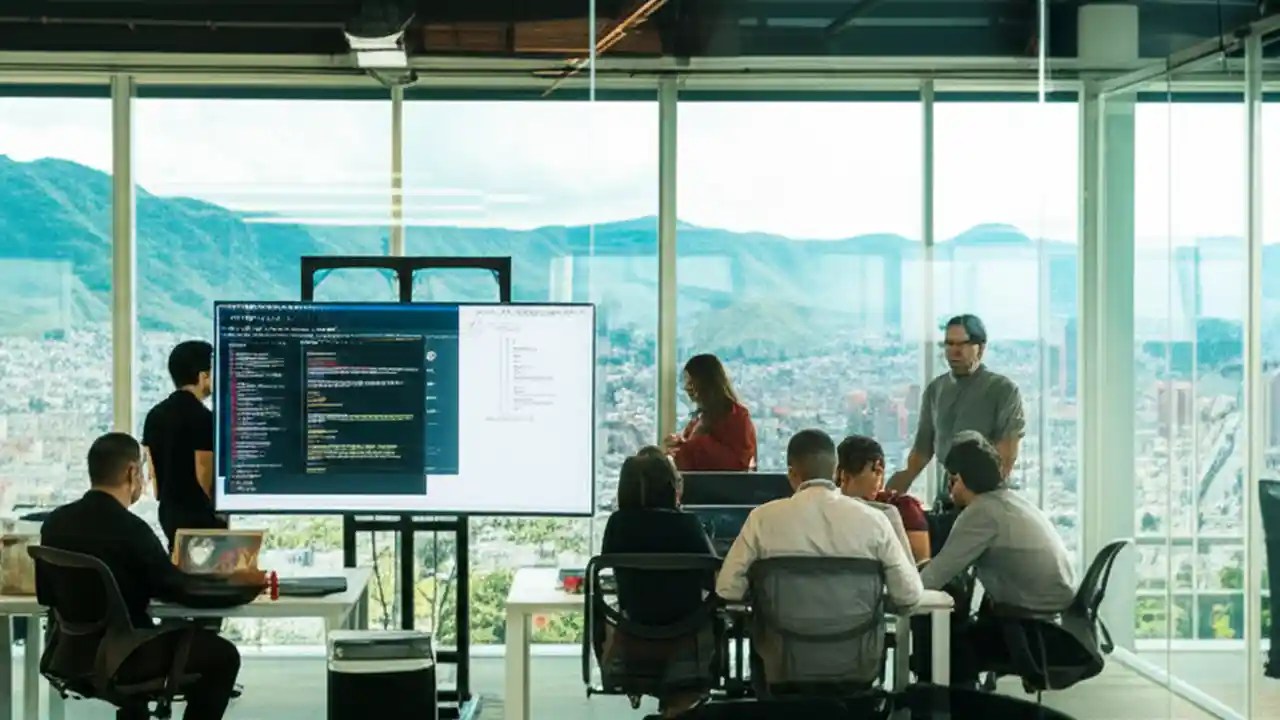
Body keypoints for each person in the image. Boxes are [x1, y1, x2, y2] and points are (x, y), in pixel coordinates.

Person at [38, 433, 257, 720]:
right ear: (132, 472)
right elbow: (177, 589)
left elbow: (46, 595)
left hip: (72, 655)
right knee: (223, 656)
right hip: (127, 657)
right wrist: (243, 585)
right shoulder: (131, 529)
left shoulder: (54, 524)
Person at [913, 432, 1076, 687]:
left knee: (943, 638)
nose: (950, 489)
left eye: (952, 481)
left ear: (963, 479)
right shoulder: (1011, 502)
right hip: (1056, 617)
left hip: (1030, 626)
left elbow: (931, 580)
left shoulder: (981, 513)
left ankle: (949, 706)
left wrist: (901, 578)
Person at [716, 429, 922, 608]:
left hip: (781, 648)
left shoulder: (761, 519)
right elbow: (908, 594)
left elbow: (727, 589)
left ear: (791, 474)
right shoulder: (875, 521)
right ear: (835, 471)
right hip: (856, 648)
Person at [599, 447, 717, 718]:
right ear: (670, 486)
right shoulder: (688, 525)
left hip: (634, 637)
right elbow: (713, 582)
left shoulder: (618, 525)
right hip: (687, 641)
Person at [887, 314, 1025, 502]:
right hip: (946, 499)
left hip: (985, 501)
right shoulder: (936, 390)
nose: (954, 351)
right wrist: (889, 495)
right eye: (949, 344)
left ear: (980, 348)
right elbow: (921, 452)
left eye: (962, 344)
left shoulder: (1002, 390)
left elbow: (1006, 457)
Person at [143, 340, 226, 552]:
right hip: (201, 520)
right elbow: (204, 475)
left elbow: (154, 474)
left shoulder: (154, 415)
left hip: (169, 513)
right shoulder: (204, 419)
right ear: (203, 376)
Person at [836, 435, 930, 563]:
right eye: (875, 471)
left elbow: (919, 566)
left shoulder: (902, 509)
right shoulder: (827, 510)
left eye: (880, 473)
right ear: (845, 477)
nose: (880, 482)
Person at [665, 354, 757, 472]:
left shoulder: (737, 416)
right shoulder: (698, 419)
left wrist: (693, 446)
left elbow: (740, 463)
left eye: (691, 382)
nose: (687, 388)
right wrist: (681, 445)